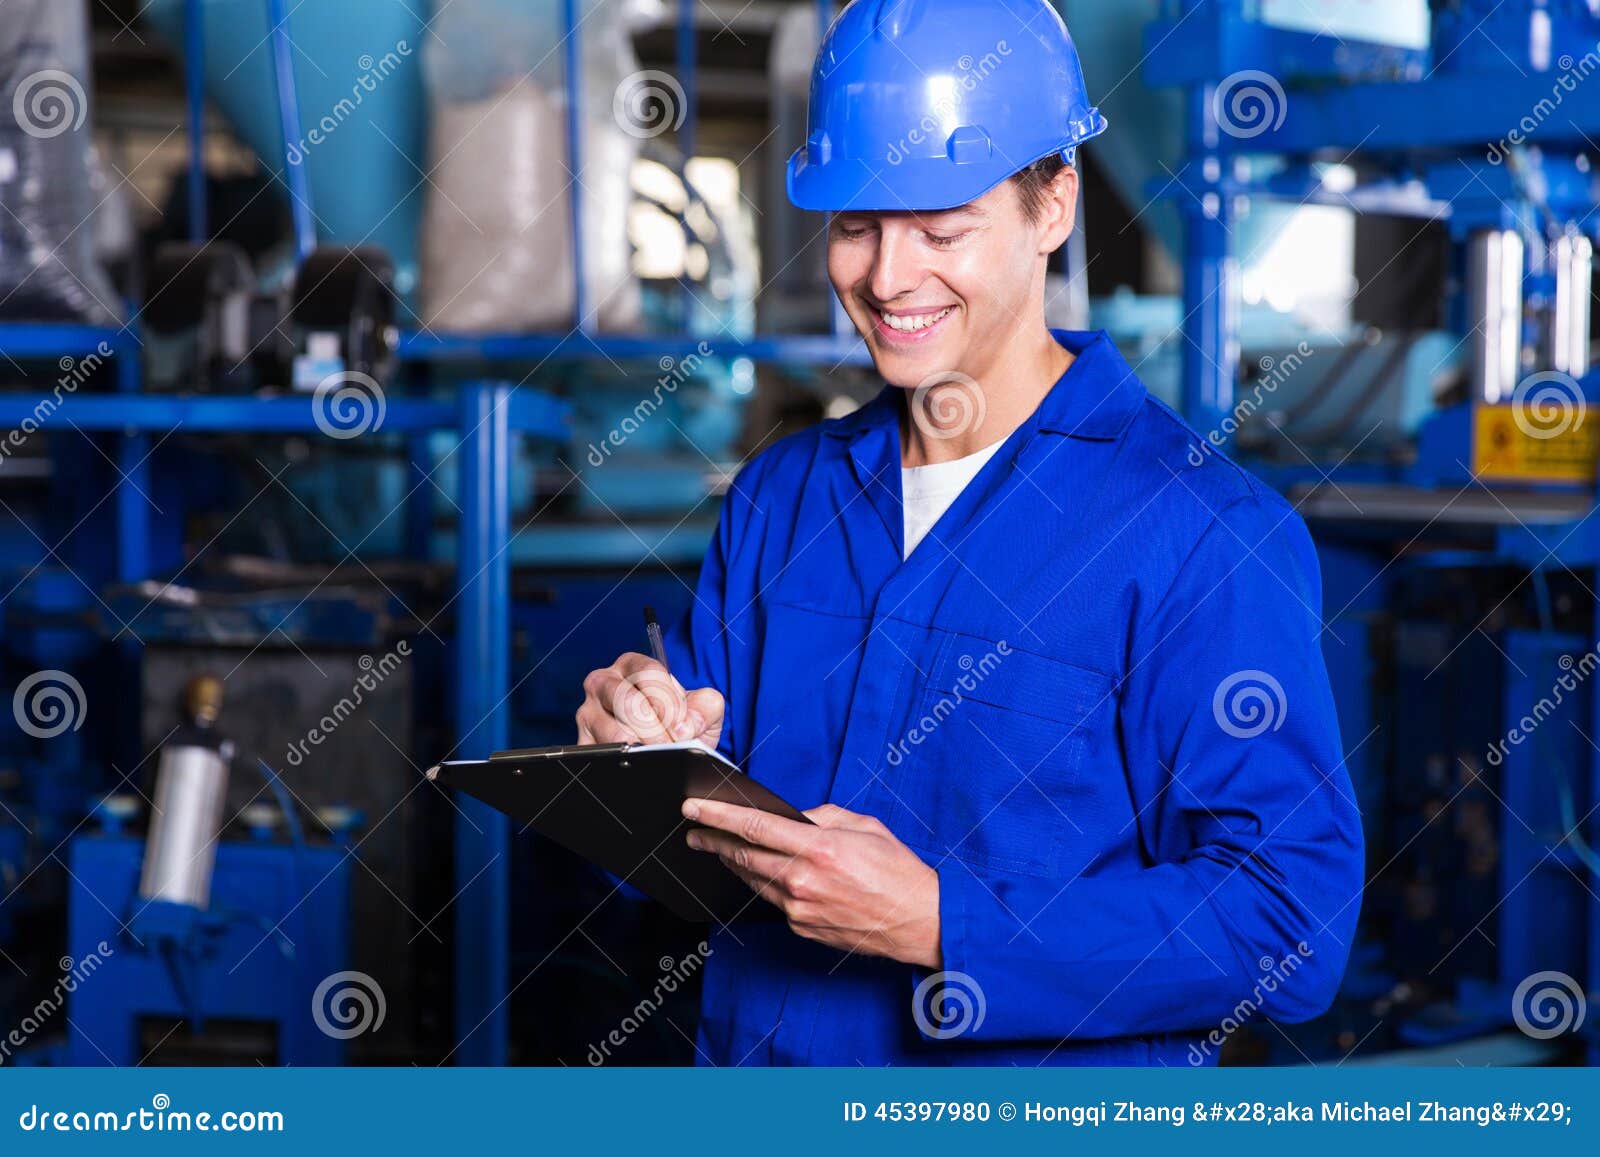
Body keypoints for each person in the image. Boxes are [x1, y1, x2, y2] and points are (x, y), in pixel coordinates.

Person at [576, 0, 1363, 1065]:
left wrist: (947, 924)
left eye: (942, 229)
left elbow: (1289, 923)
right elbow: (680, 847)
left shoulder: (1199, 533)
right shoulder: (781, 497)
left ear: (1053, 206)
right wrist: (636, 757)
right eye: (856, 224)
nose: (887, 277)